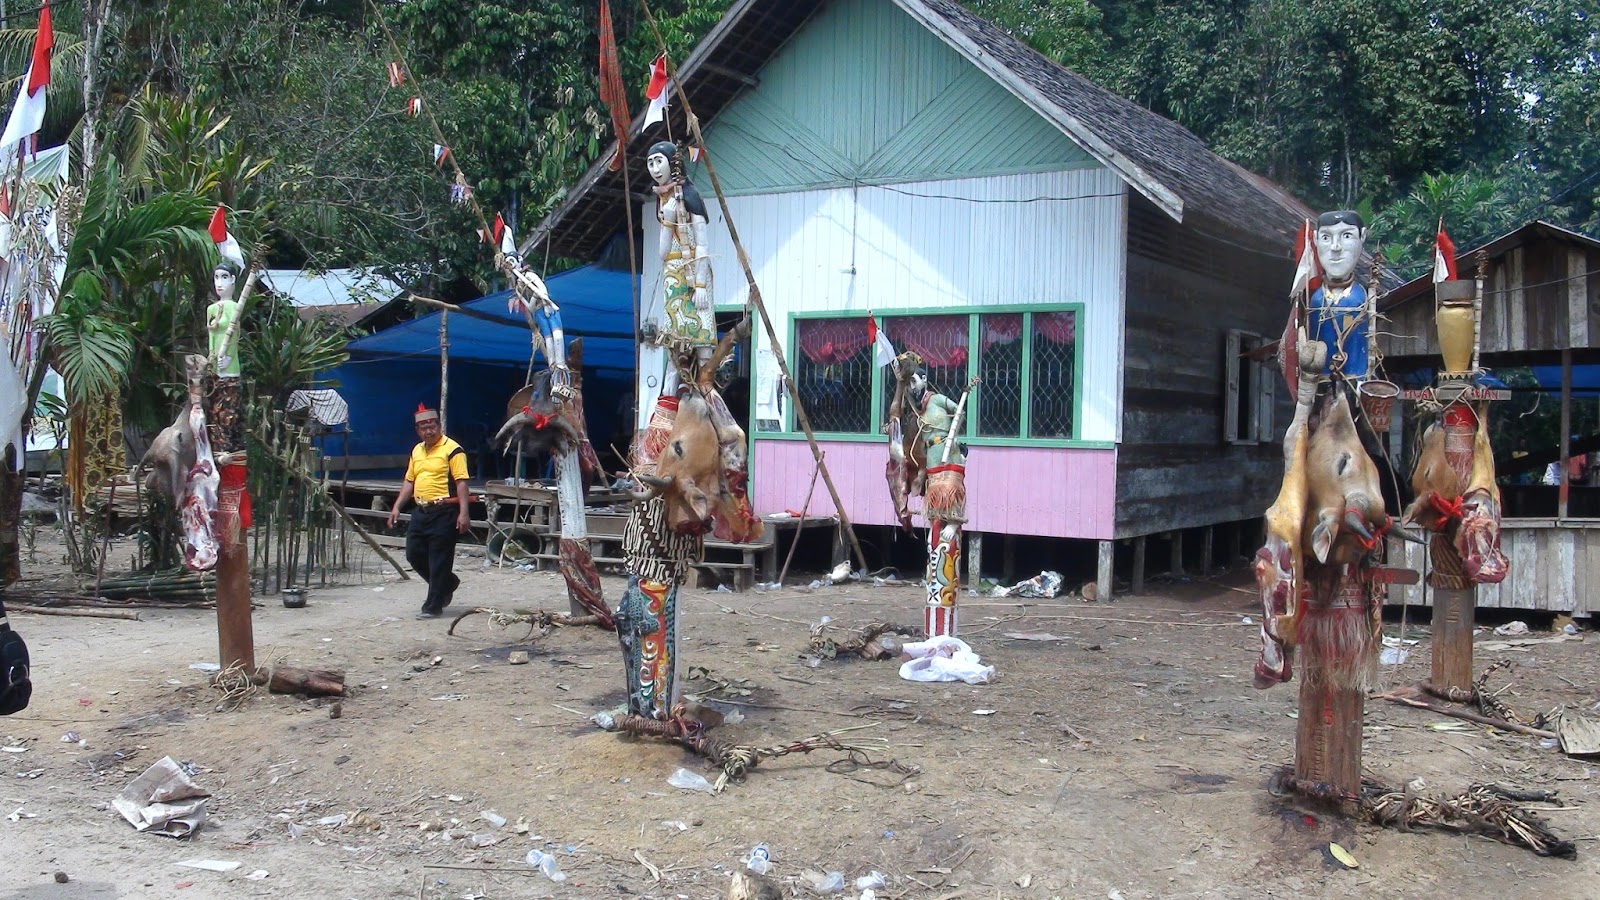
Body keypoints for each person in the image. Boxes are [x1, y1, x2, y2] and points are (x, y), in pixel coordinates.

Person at [388, 404, 471, 618]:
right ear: (417, 430)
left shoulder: (453, 449)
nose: (428, 431)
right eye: (423, 427)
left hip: (444, 510)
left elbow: (462, 483)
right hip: (421, 510)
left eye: (432, 426)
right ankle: (448, 583)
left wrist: (464, 513)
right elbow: (409, 481)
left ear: (439, 425)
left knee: (439, 559)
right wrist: (397, 507)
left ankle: (433, 605)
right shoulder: (417, 450)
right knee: (413, 554)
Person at [1309, 210, 1370, 378]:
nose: (1335, 247)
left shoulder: (1361, 298)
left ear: (1362, 237)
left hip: (1355, 380)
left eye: (1347, 236)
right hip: (1320, 381)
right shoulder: (1316, 299)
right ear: (1315, 239)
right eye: (1326, 238)